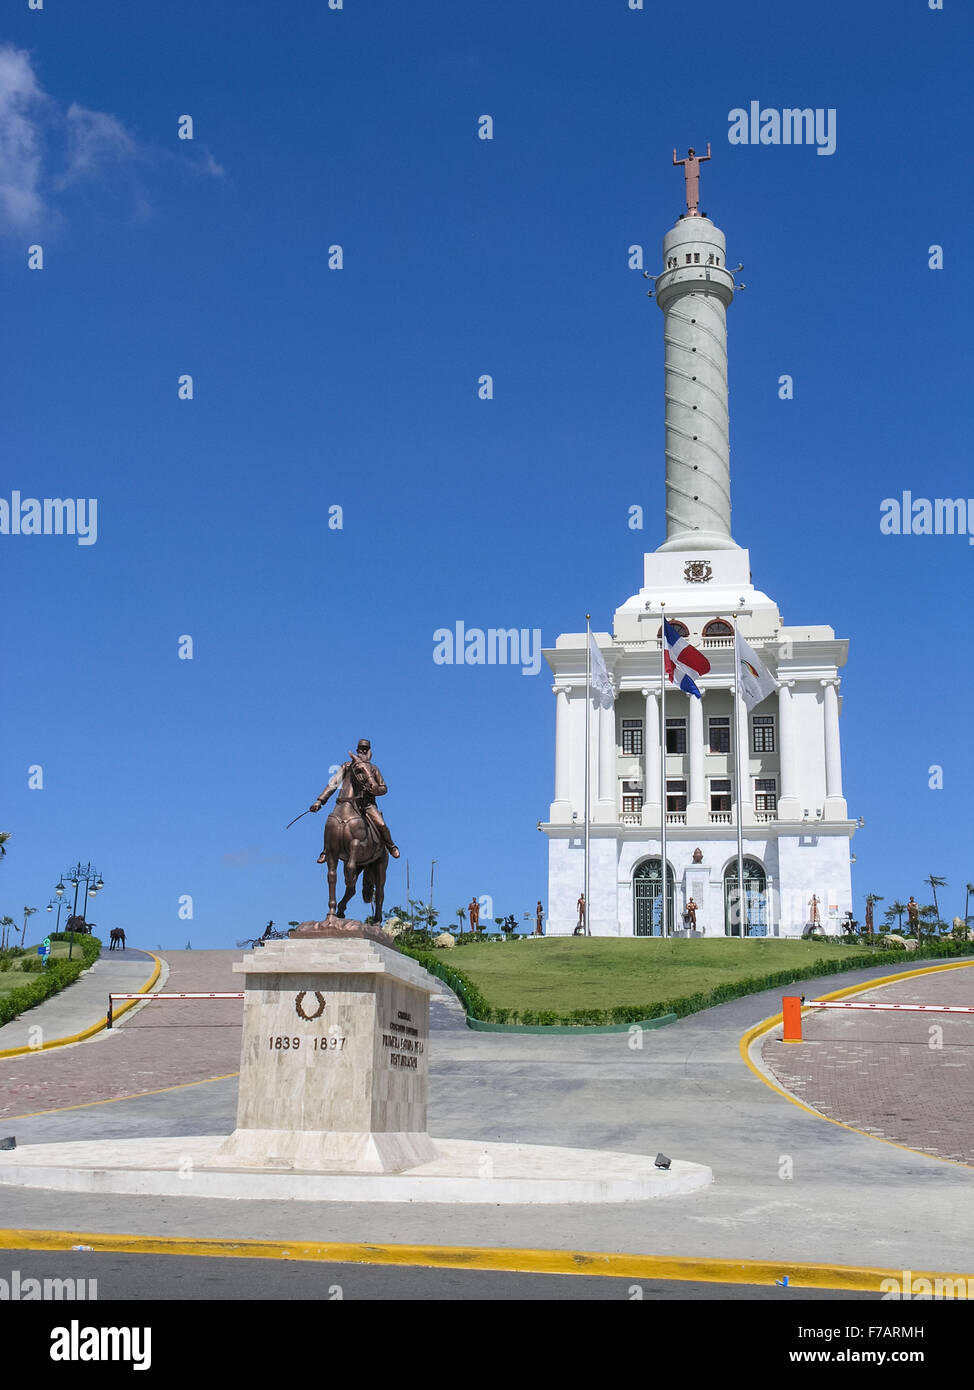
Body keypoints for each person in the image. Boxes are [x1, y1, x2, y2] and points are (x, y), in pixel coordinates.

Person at [311, 739, 399, 860]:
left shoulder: (373, 769)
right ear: (357, 750)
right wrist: (320, 801)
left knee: (382, 824)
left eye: (366, 749)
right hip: (348, 803)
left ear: (369, 751)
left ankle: (391, 845)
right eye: (361, 749)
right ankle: (326, 850)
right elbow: (333, 784)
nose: (363, 751)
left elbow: (383, 788)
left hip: (367, 805)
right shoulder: (347, 766)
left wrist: (374, 790)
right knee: (331, 823)